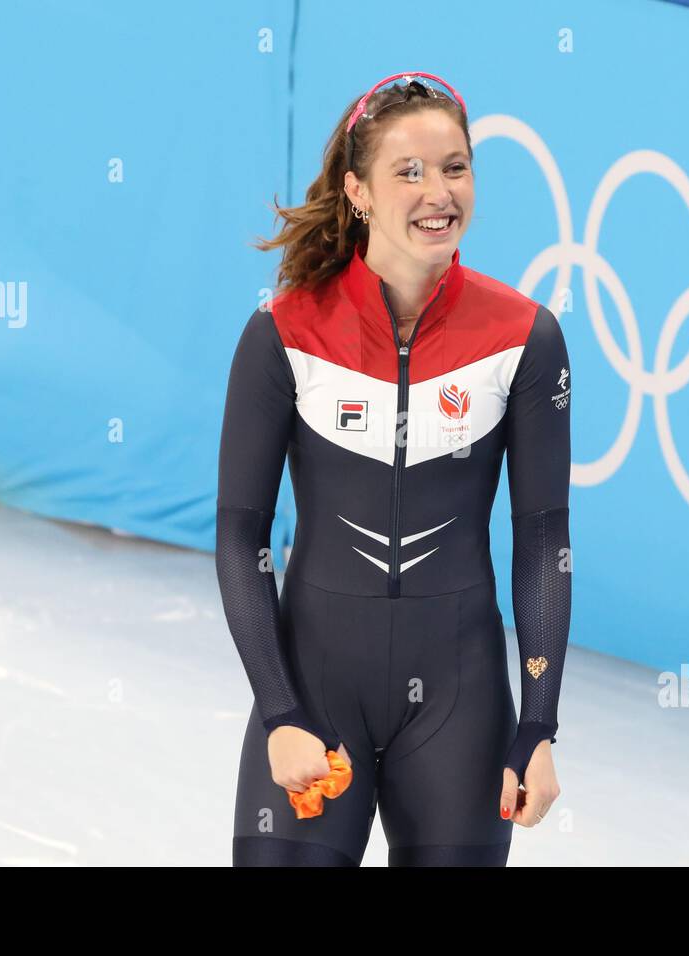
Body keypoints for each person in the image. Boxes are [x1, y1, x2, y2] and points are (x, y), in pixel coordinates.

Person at [216, 72, 572, 867]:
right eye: (407, 172)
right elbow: (241, 539)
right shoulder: (283, 334)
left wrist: (538, 727)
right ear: (358, 192)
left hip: (462, 709)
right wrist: (279, 714)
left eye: (454, 167)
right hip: (314, 699)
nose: (437, 191)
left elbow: (546, 541)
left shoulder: (524, 337)